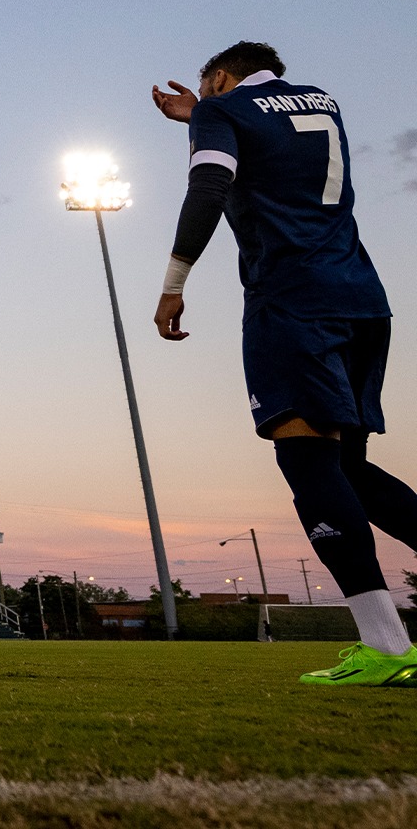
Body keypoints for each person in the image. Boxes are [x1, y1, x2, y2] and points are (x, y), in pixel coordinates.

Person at [152, 42, 417, 686]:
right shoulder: (323, 104)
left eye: (206, 85)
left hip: (291, 303)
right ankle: (387, 646)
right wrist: (201, 114)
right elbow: (274, 135)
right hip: (362, 300)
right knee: (346, 466)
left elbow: (210, 186)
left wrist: (173, 281)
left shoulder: (226, 112)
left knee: (306, 460)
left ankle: (386, 648)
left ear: (220, 75)